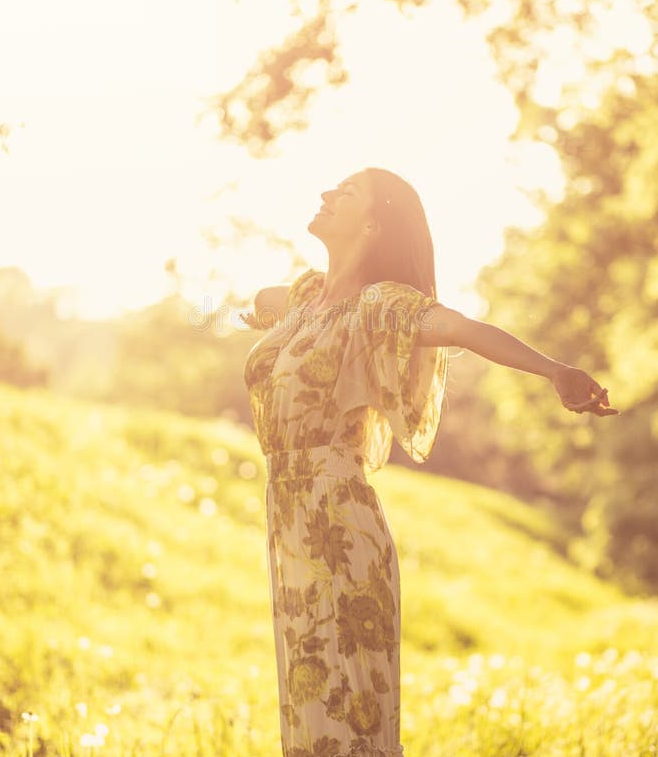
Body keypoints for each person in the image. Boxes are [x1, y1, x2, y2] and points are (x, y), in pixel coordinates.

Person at [240, 166, 618, 757]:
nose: (324, 194)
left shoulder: (381, 306)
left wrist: (555, 372)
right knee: (307, 704)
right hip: (288, 520)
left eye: (346, 193)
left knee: (346, 713)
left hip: (337, 521)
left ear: (372, 224)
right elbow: (257, 302)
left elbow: (466, 330)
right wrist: (247, 313)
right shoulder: (308, 297)